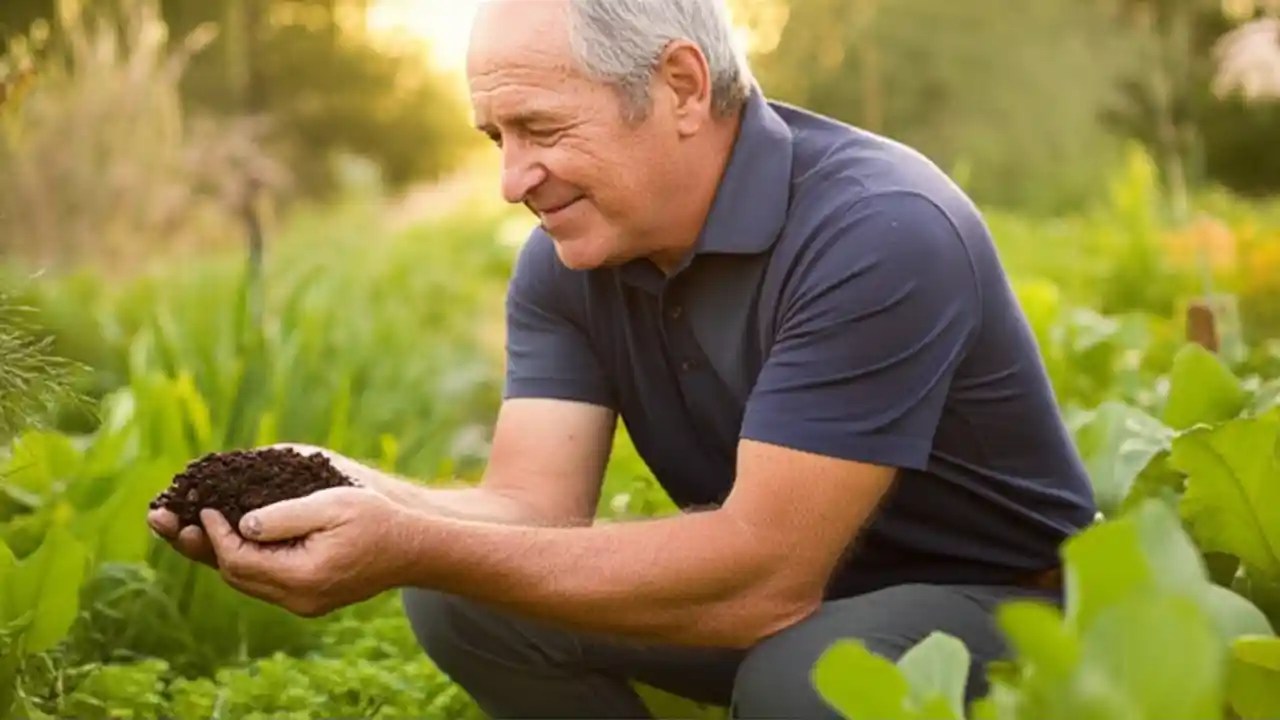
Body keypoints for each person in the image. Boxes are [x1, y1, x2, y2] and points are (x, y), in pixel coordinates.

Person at [146, 0, 1098, 716]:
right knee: (461, 604)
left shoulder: (877, 228)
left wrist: (412, 541)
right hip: (806, 597)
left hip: (1011, 614)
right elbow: (526, 513)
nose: (513, 180)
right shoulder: (569, 257)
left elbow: (764, 581)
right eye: (497, 138)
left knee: (804, 676)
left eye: (543, 130)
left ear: (681, 87)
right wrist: (348, 490)